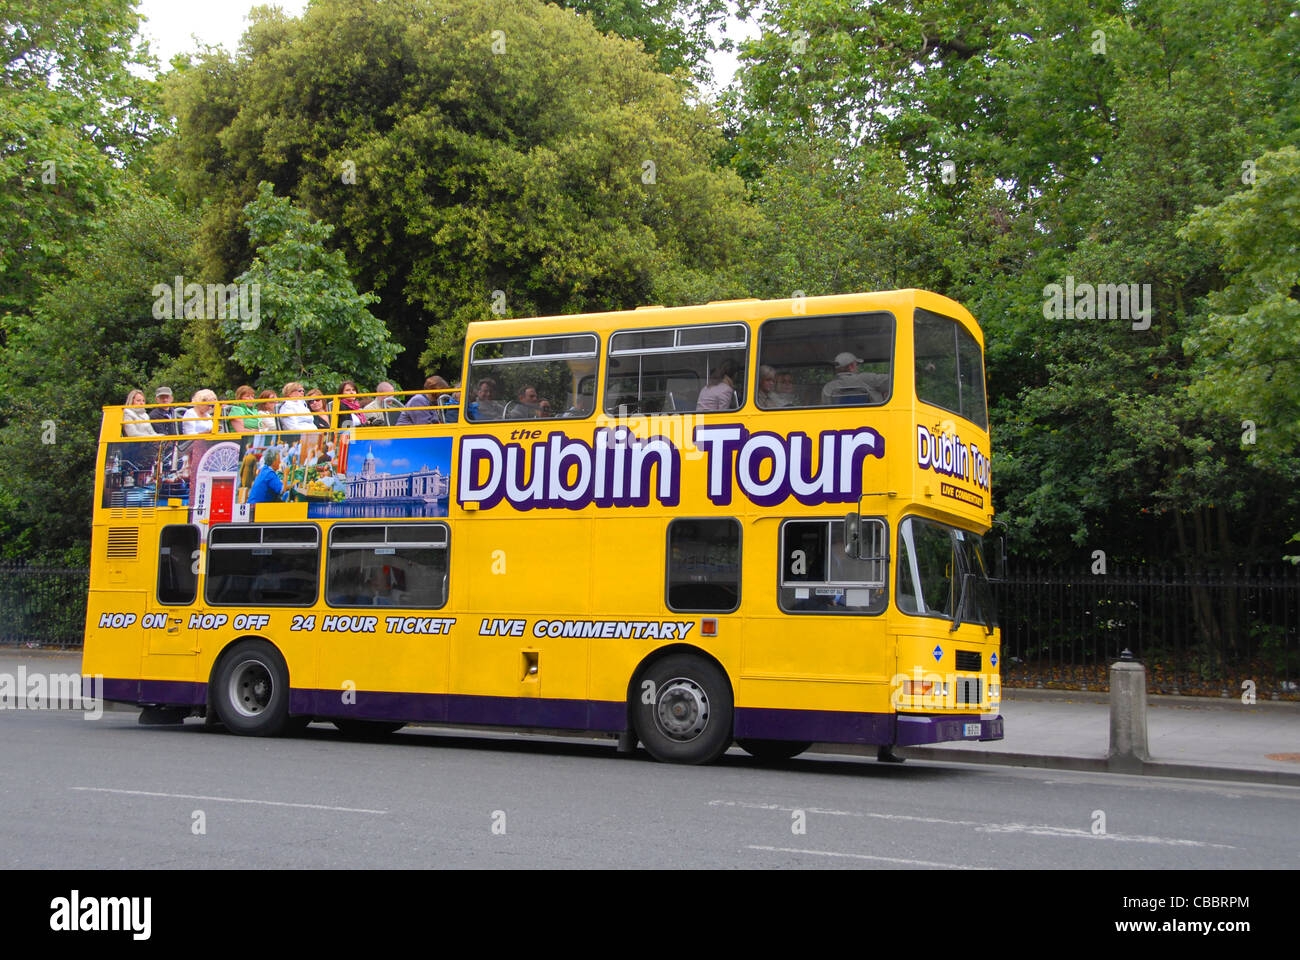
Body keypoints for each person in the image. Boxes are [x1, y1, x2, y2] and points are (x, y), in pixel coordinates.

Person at [821, 352, 890, 404]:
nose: (857, 367)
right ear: (851, 366)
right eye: (856, 364)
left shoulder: (828, 387)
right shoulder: (867, 379)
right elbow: (894, 380)